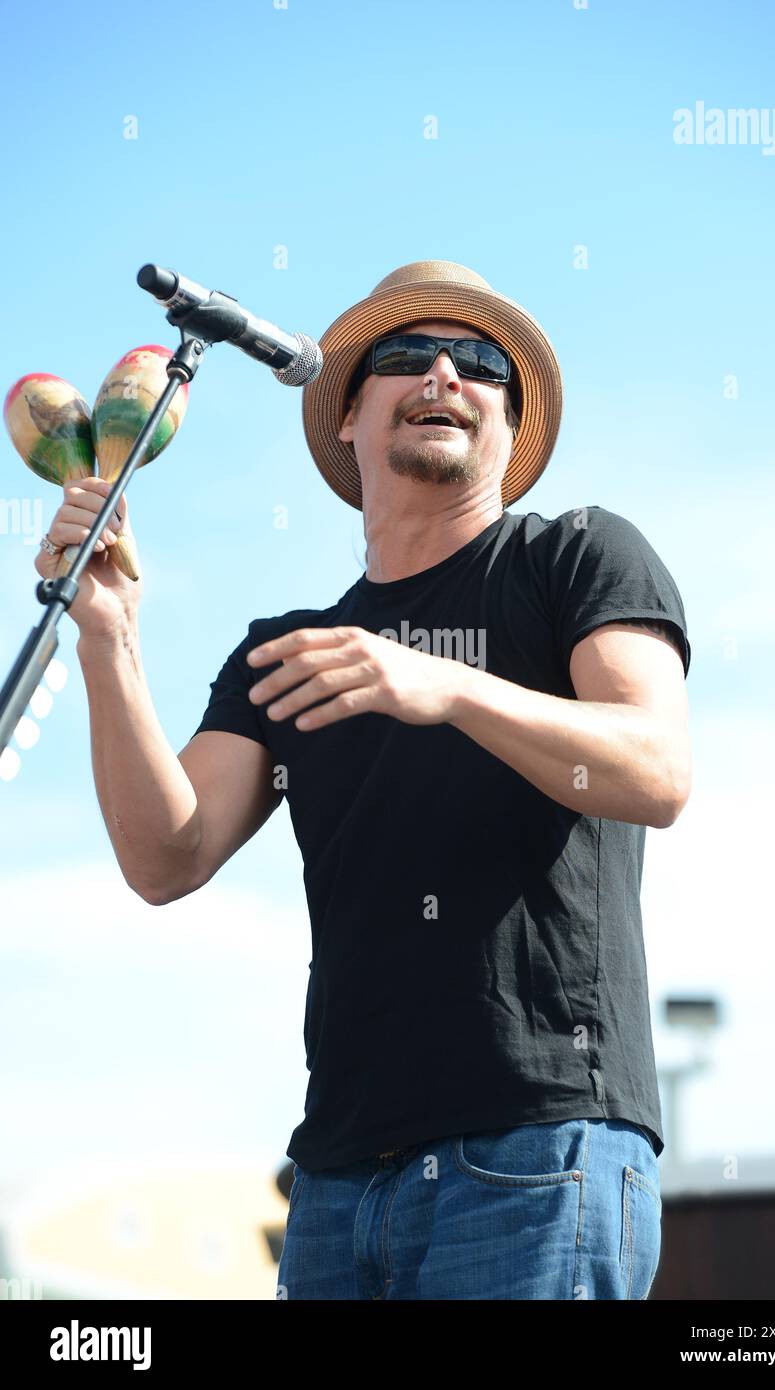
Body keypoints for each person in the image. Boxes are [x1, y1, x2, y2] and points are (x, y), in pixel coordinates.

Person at [35, 261, 692, 1301]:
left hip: (534, 1153)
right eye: (406, 356)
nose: (445, 372)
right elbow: (167, 858)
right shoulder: (288, 651)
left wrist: (443, 685)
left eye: (480, 364)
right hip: (336, 1185)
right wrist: (109, 641)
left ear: (507, 424)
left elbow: (653, 768)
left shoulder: (576, 556)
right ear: (347, 417)